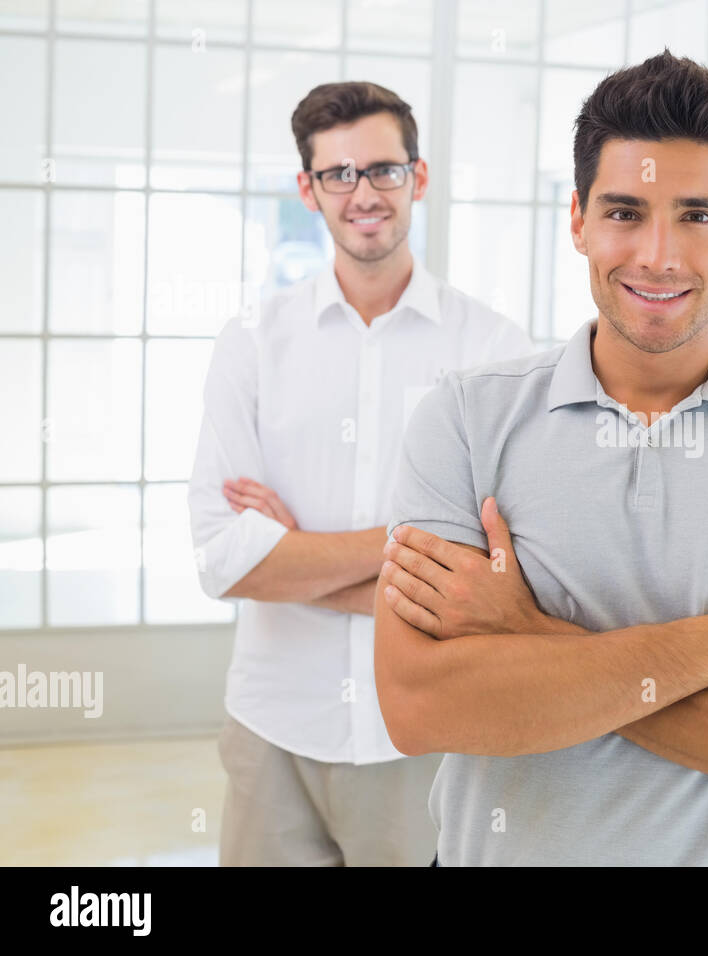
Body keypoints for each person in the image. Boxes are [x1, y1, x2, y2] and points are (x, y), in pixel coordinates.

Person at [371, 51, 708, 867]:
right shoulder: (464, 418)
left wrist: (529, 636)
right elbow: (417, 705)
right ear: (576, 218)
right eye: (624, 212)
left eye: (696, 215)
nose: (658, 255)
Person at [187, 81, 534, 866]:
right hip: (273, 726)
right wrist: (410, 560)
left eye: (383, 169)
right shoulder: (252, 343)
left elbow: (501, 569)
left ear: (420, 177)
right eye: (339, 174)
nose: (364, 193)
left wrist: (293, 554)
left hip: (420, 733)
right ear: (307, 190)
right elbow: (220, 556)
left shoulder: (494, 351)